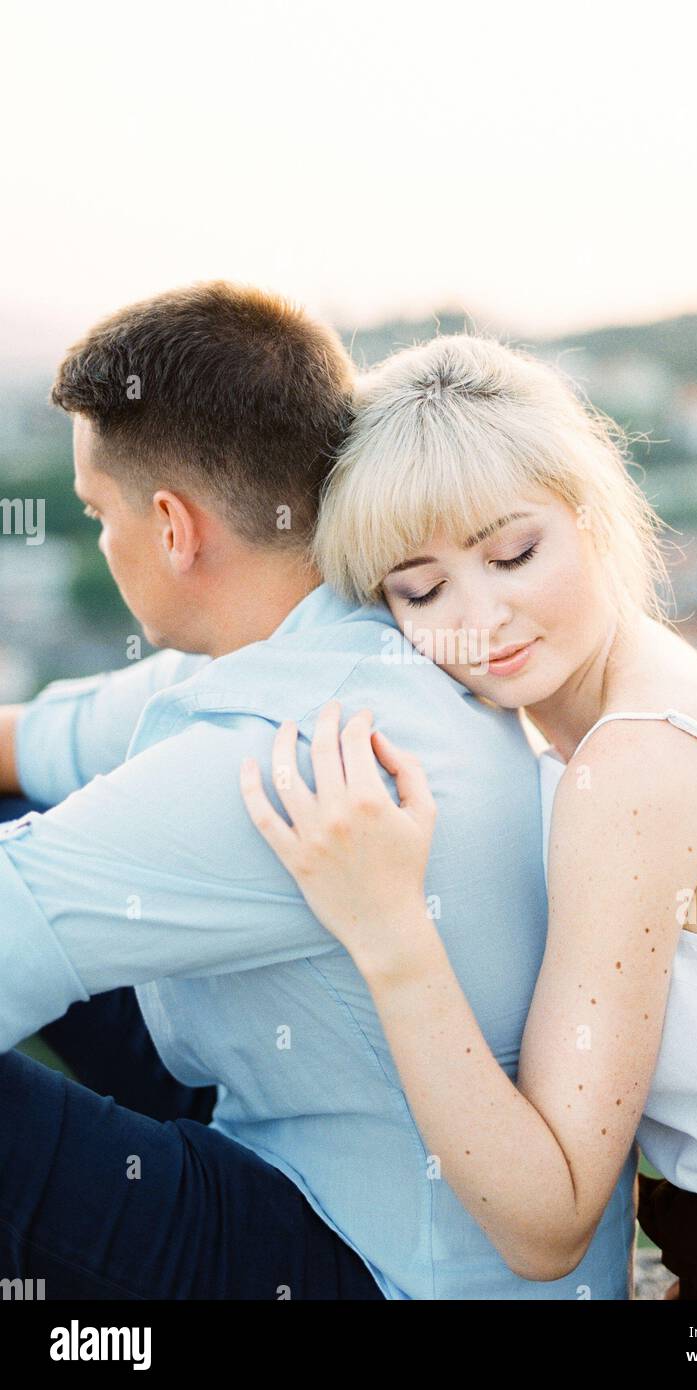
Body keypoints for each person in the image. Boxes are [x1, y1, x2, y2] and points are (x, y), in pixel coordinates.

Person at [0, 286, 636, 1299]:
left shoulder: (294, 746)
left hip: (378, 1269)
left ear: (171, 528)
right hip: (314, 1129)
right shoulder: (350, 621)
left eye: (97, 514)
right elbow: (38, 744)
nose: (100, 542)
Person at [240, 332, 697, 1301]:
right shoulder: (637, 691)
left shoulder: (630, 769)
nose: (478, 617)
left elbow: (547, 1223)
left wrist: (387, 928)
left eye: (513, 552)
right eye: (421, 588)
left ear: (591, 518)